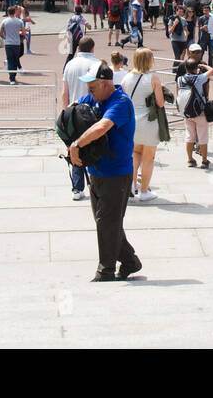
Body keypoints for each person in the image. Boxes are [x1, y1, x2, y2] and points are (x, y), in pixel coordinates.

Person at [68, 60, 142, 281]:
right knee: (107, 223)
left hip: (117, 174)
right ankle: (130, 261)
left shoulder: (120, 102)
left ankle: (106, 270)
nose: (88, 92)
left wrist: (76, 144)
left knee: (107, 223)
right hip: (97, 171)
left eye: (92, 87)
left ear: (105, 83)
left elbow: (102, 127)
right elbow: (78, 107)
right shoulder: (94, 98)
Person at [61, 37, 100, 200]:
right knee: (94, 146)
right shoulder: (97, 64)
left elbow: (65, 92)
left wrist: (64, 113)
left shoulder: (70, 64)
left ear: (78, 48)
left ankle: (77, 187)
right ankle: (96, 183)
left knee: (75, 146)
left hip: (73, 111)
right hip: (91, 111)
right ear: (92, 48)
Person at [124, 48, 165, 201]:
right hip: (148, 122)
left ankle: (131, 186)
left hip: (132, 123)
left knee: (135, 155)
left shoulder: (126, 78)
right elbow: (160, 103)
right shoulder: (153, 77)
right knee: (149, 157)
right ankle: (144, 190)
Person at [178, 55, 213, 169]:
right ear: (196, 68)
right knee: (203, 135)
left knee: (189, 135)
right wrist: (203, 65)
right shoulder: (199, 78)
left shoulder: (180, 79)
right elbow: (212, 70)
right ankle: (204, 161)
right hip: (200, 111)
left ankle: (190, 159)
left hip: (187, 111)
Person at [0, 5, 26, 85]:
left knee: (10, 60)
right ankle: (14, 75)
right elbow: (23, 33)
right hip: (17, 43)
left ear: (8, 12)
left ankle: (12, 78)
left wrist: (5, 38)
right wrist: (19, 33)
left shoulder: (4, 21)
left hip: (8, 43)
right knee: (15, 60)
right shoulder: (19, 21)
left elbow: (1, 33)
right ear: (14, 12)